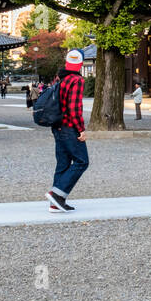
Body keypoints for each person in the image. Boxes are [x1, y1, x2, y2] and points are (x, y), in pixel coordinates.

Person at [46, 50, 89, 213]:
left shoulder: (61, 79)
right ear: (81, 63)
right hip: (69, 127)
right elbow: (74, 109)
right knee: (82, 161)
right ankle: (56, 195)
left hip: (57, 126)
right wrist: (81, 130)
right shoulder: (77, 80)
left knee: (63, 163)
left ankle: (56, 202)